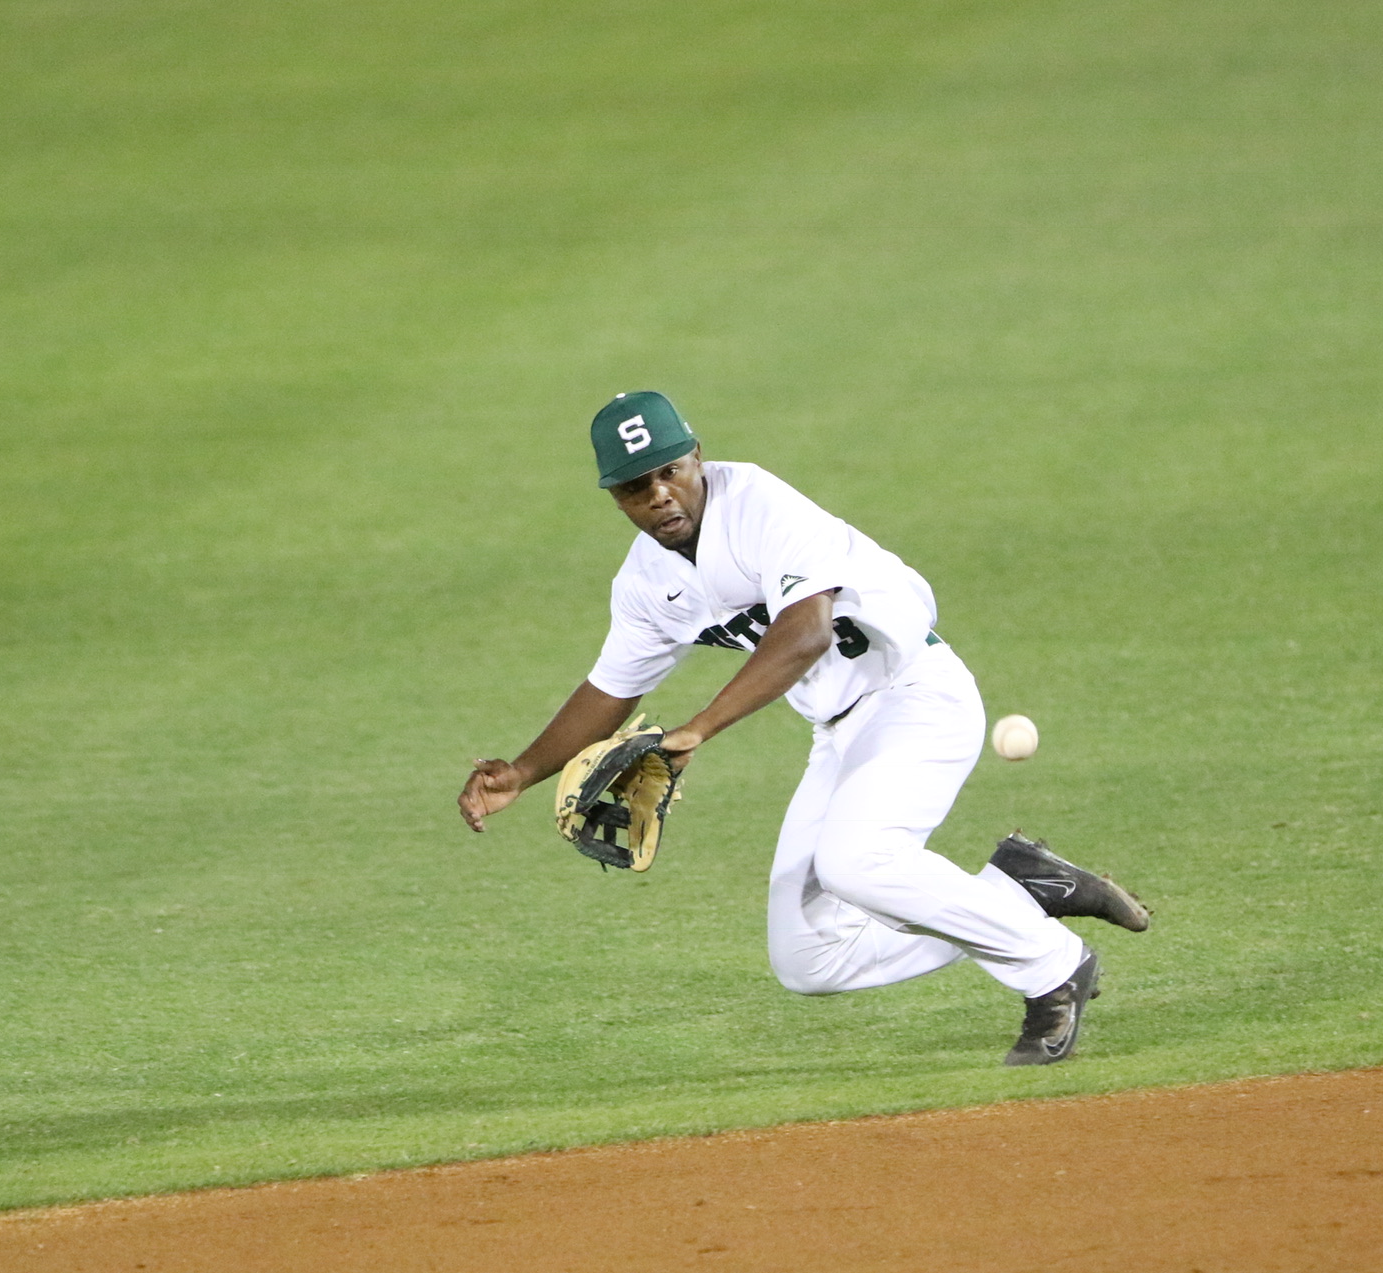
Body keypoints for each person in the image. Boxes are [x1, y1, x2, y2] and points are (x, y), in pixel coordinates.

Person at [456, 391, 1149, 1065]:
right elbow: (611, 687)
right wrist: (520, 770)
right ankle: (1017, 892)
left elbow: (806, 631)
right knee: (810, 957)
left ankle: (1052, 969)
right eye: (637, 485)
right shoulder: (645, 584)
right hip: (839, 734)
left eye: (670, 470)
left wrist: (700, 727)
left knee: (859, 862)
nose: (660, 493)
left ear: (697, 456)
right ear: (614, 497)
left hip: (914, 697)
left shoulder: (758, 504)